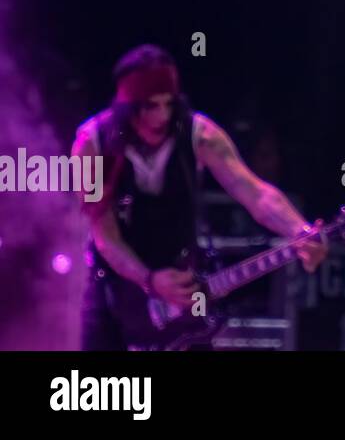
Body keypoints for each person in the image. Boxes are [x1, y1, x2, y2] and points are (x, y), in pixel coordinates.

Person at [71, 44, 327, 350]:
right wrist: (149, 280)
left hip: (182, 285)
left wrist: (299, 230)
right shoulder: (93, 143)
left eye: (169, 104)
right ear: (129, 107)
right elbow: (104, 234)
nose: (162, 116)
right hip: (115, 286)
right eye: (150, 106)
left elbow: (254, 192)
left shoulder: (199, 134)